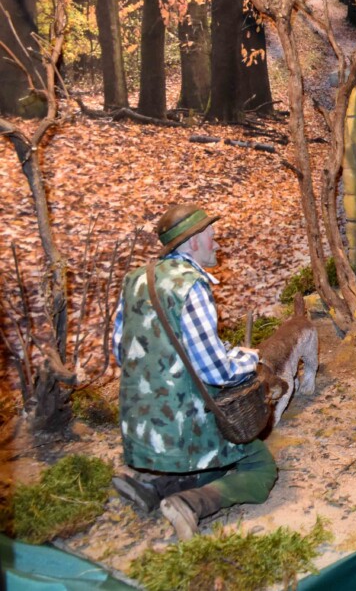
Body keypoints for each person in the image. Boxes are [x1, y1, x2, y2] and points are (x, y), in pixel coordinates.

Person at [111, 204, 278, 541]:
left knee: (214, 460)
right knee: (260, 466)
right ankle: (191, 504)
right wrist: (249, 360)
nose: (217, 244)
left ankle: (153, 487)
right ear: (193, 242)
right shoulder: (191, 286)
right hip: (183, 424)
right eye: (211, 237)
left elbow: (120, 350)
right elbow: (217, 372)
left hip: (141, 426)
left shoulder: (136, 279)